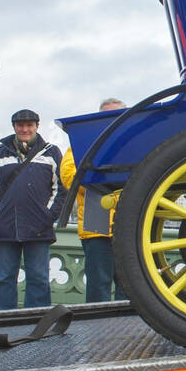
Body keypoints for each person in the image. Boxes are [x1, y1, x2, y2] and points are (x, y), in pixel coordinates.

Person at [0, 109, 67, 310]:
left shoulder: (51, 153)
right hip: (5, 226)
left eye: (29, 125)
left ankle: (36, 319)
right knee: (2, 278)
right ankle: (4, 318)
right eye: (20, 125)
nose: (25, 129)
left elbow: (61, 188)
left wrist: (49, 215)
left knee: (39, 278)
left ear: (37, 126)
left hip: (39, 227)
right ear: (14, 127)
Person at [60, 98, 126, 302]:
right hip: (95, 219)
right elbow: (68, 176)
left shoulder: (130, 143)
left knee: (129, 285)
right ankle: (99, 329)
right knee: (99, 284)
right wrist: (108, 180)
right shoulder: (81, 143)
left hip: (127, 222)